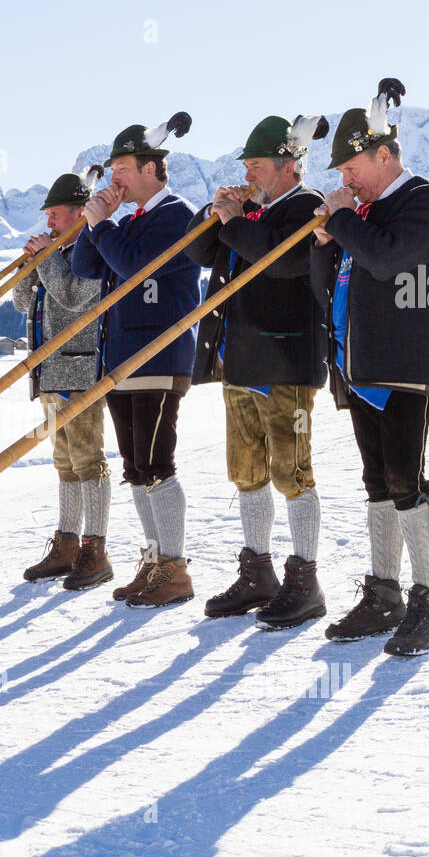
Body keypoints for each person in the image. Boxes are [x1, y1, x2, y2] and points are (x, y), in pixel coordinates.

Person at [308, 79, 429, 656]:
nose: (345, 178)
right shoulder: (362, 214)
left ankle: (428, 601)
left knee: (404, 480)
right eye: (342, 170)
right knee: (376, 481)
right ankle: (384, 592)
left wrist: (344, 222)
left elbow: (390, 255)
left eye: (352, 166)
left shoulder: (427, 201)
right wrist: (325, 243)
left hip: (405, 364)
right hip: (359, 363)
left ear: (384, 154)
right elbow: (329, 290)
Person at [184, 114, 329, 629]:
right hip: (241, 361)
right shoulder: (250, 212)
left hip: (287, 362)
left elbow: (280, 260)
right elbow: (202, 252)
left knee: (293, 471)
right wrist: (214, 213)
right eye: (246, 164)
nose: (250, 173)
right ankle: (258, 571)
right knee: (246, 471)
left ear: (288, 166)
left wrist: (236, 220)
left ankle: (306, 579)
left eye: (258, 165)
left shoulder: (306, 207)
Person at [71, 120, 202, 607]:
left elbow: (131, 267)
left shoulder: (175, 216)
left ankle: (174, 566)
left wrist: (103, 224)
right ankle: (154, 560)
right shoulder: (126, 220)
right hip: (124, 356)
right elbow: (87, 268)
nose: (115, 179)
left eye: (123, 168)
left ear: (152, 168)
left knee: (156, 464)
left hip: (159, 353)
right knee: (135, 466)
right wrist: (96, 222)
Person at [13, 172, 114, 591]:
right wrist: (28, 267)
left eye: (55, 216)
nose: (49, 224)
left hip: (81, 369)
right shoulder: (55, 253)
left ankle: (97, 547)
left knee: (89, 460)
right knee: (63, 461)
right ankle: (68, 541)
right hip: (51, 370)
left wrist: (48, 261)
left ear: (78, 215)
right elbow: (23, 302)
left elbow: (73, 296)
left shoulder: (94, 249)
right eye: (49, 216)